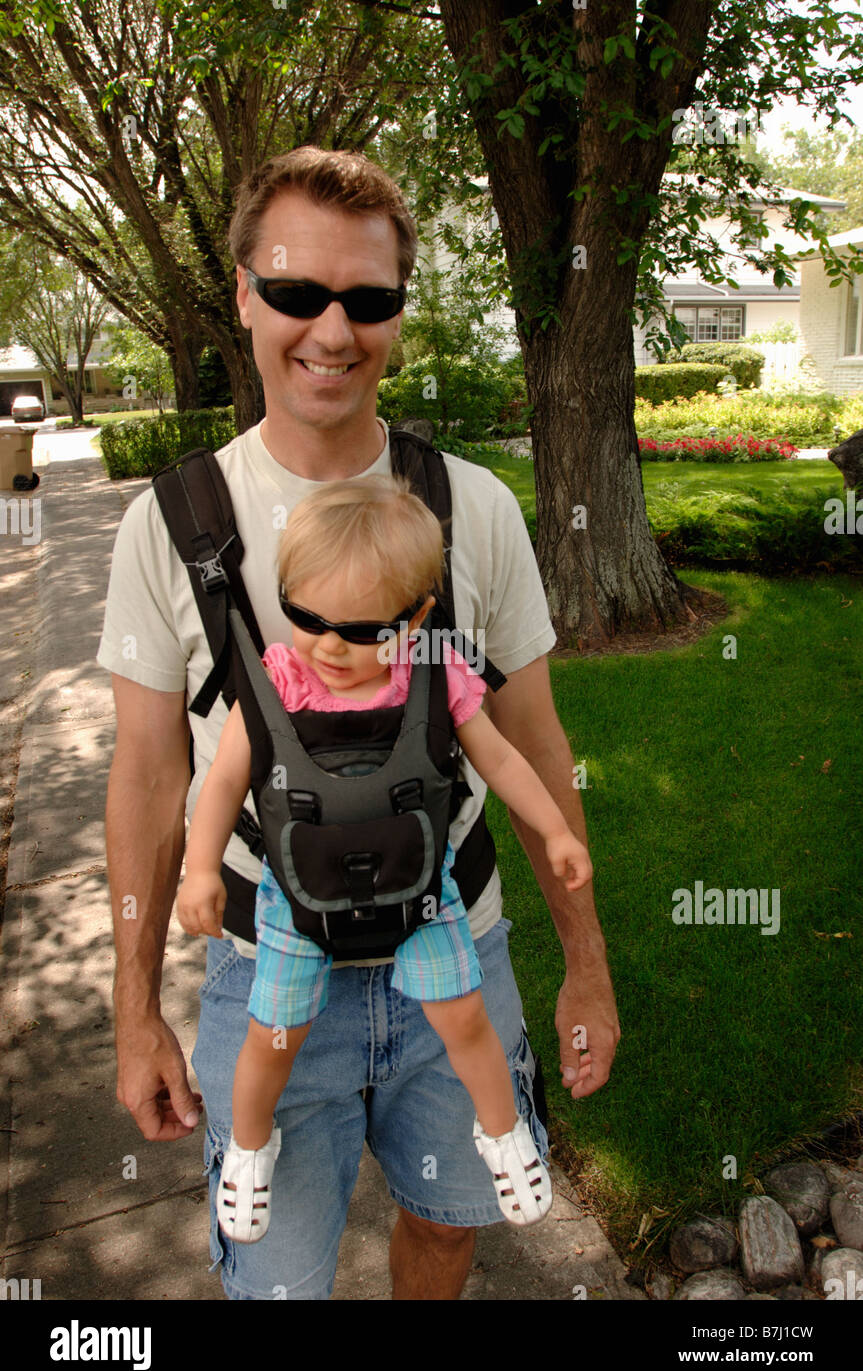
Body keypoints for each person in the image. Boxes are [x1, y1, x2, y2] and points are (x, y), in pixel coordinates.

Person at [98, 145, 620, 1300]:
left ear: (394, 313)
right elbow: (145, 778)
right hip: (266, 968)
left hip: (454, 954)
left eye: (366, 299)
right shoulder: (172, 524)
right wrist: (135, 1012)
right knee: (277, 1282)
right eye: (295, 292)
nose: (330, 331)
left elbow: (530, 745)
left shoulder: (471, 509)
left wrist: (585, 962)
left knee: (446, 1226)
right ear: (243, 293)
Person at [175, 475, 593, 1242]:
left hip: (420, 896)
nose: (333, 645)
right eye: (308, 617)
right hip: (296, 904)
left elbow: (501, 762)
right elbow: (222, 780)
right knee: (273, 1034)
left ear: (418, 617)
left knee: (466, 1018)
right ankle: (247, 1146)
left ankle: (503, 1137)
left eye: (366, 630)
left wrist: (558, 831)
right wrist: (200, 869)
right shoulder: (276, 683)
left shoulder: (439, 677)